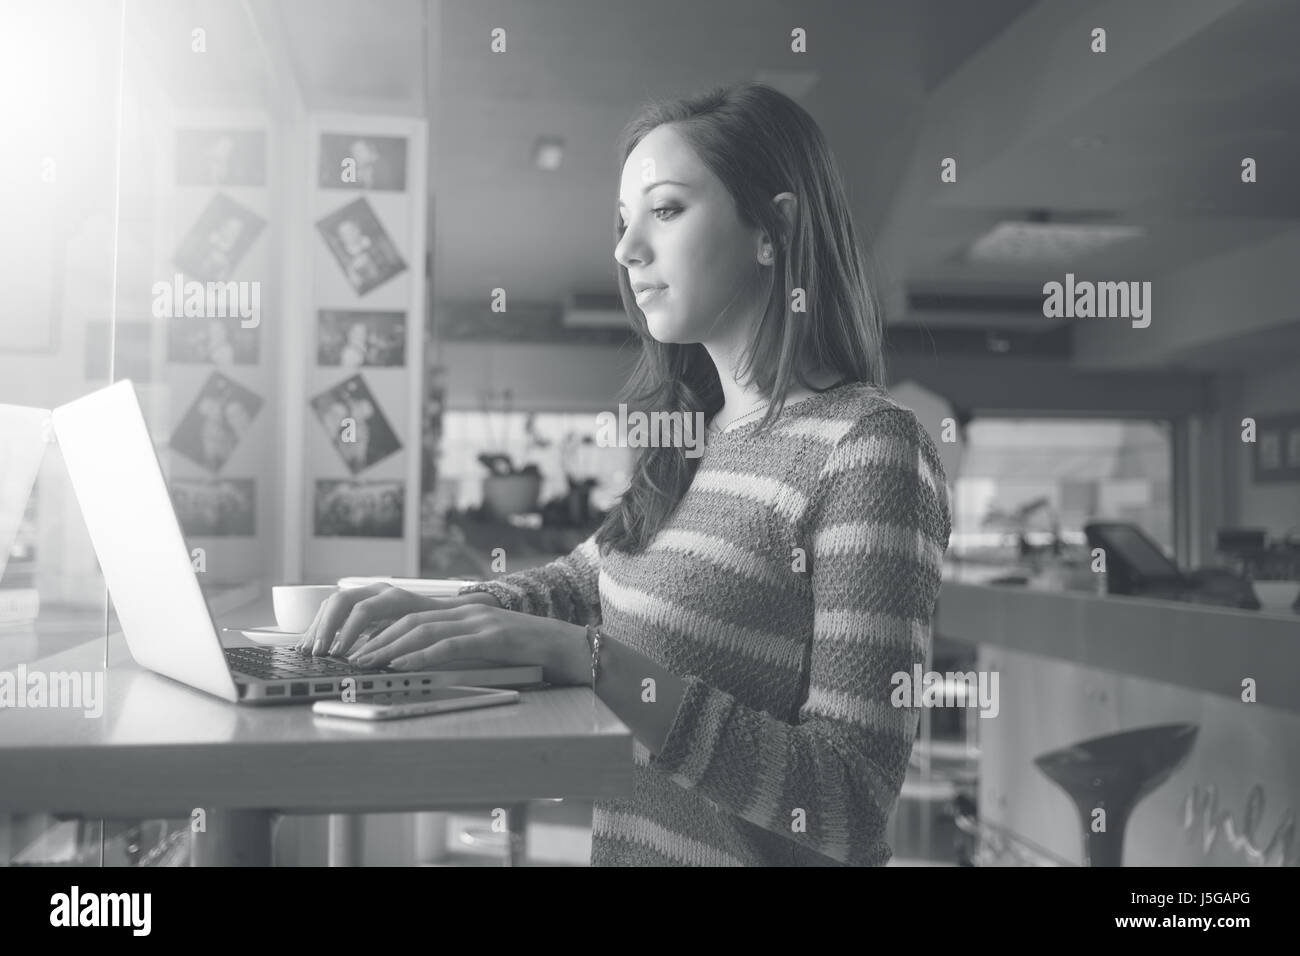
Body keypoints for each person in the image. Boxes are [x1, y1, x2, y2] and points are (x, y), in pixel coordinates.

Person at [298, 82, 952, 866]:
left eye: (666, 210)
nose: (625, 249)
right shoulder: (691, 437)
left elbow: (848, 802)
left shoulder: (869, 450)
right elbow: (581, 586)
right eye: (622, 223)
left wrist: (594, 660)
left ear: (774, 229)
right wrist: (434, 609)